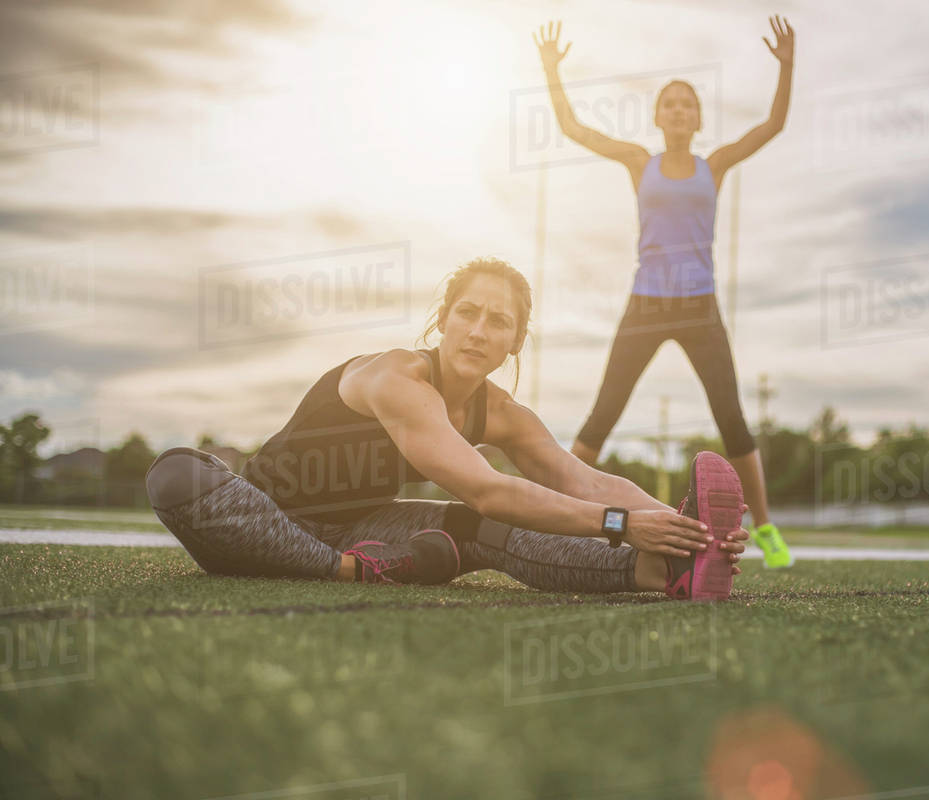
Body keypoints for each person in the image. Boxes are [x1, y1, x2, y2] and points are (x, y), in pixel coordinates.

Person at [145, 258, 749, 600]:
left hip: (360, 528)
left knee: (478, 529)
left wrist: (678, 529)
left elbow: (578, 480)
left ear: (516, 341)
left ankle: (659, 573)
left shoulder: (504, 413)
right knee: (176, 473)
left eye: (499, 322)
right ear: (443, 319)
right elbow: (489, 487)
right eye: (468, 312)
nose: (480, 331)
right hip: (266, 523)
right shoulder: (396, 378)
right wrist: (621, 524)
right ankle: (350, 572)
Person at [533, 17, 796, 568]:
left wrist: (786, 66)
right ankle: (556, 512)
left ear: (698, 119)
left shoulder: (714, 165)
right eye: (670, 104)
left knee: (734, 421)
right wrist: (552, 71)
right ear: (658, 117)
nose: (679, 111)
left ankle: (767, 529)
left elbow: (772, 126)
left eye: (688, 104)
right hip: (647, 304)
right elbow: (575, 129)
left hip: (699, 306)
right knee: (602, 415)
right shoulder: (639, 162)